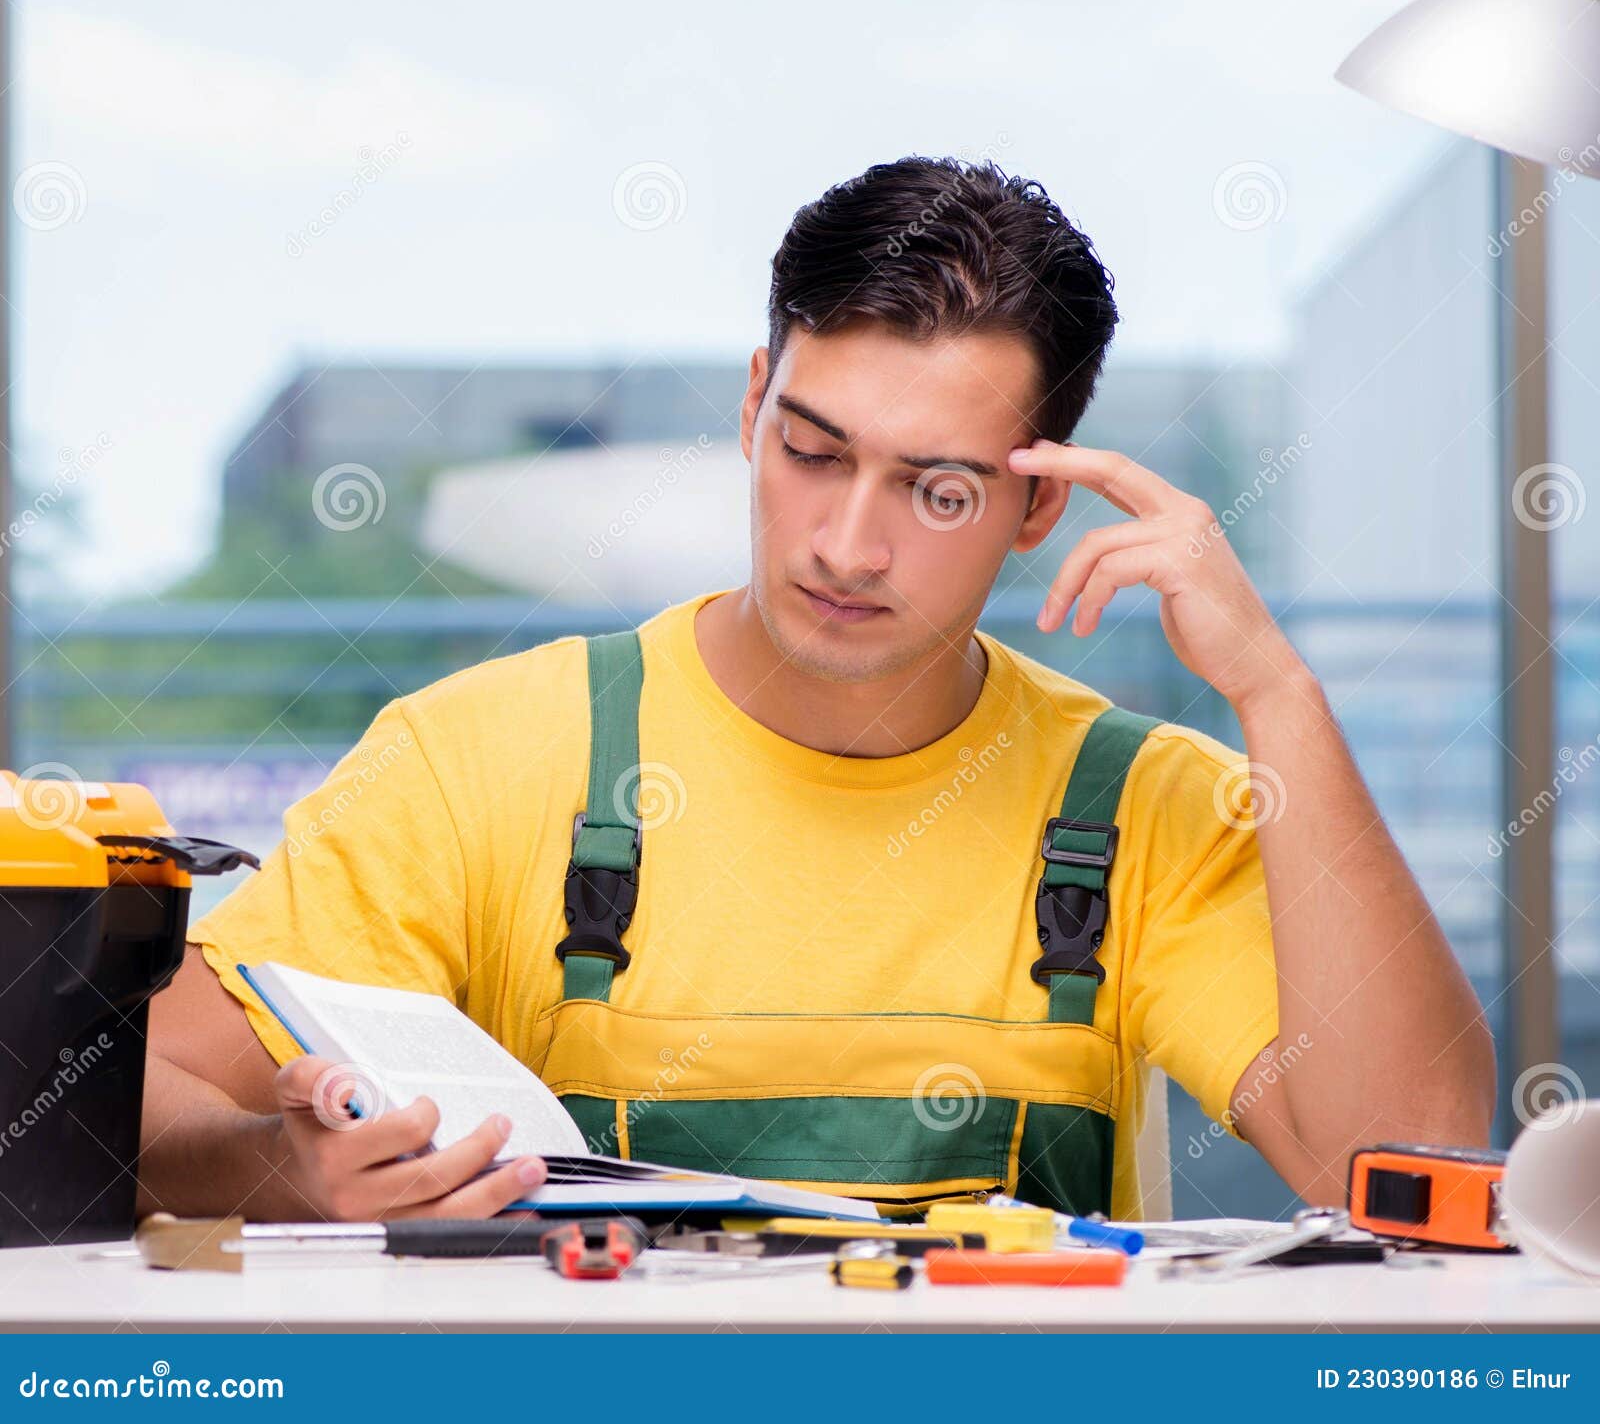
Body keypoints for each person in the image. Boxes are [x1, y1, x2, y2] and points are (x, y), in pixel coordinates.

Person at [140, 157, 1494, 1223]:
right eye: (812, 449)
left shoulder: (1144, 806)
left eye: (938, 487)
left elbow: (1399, 1165)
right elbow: (117, 1090)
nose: (848, 544)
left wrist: (1277, 692)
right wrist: (283, 1167)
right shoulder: (482, 761)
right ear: (751, 407)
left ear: (1037, 506)